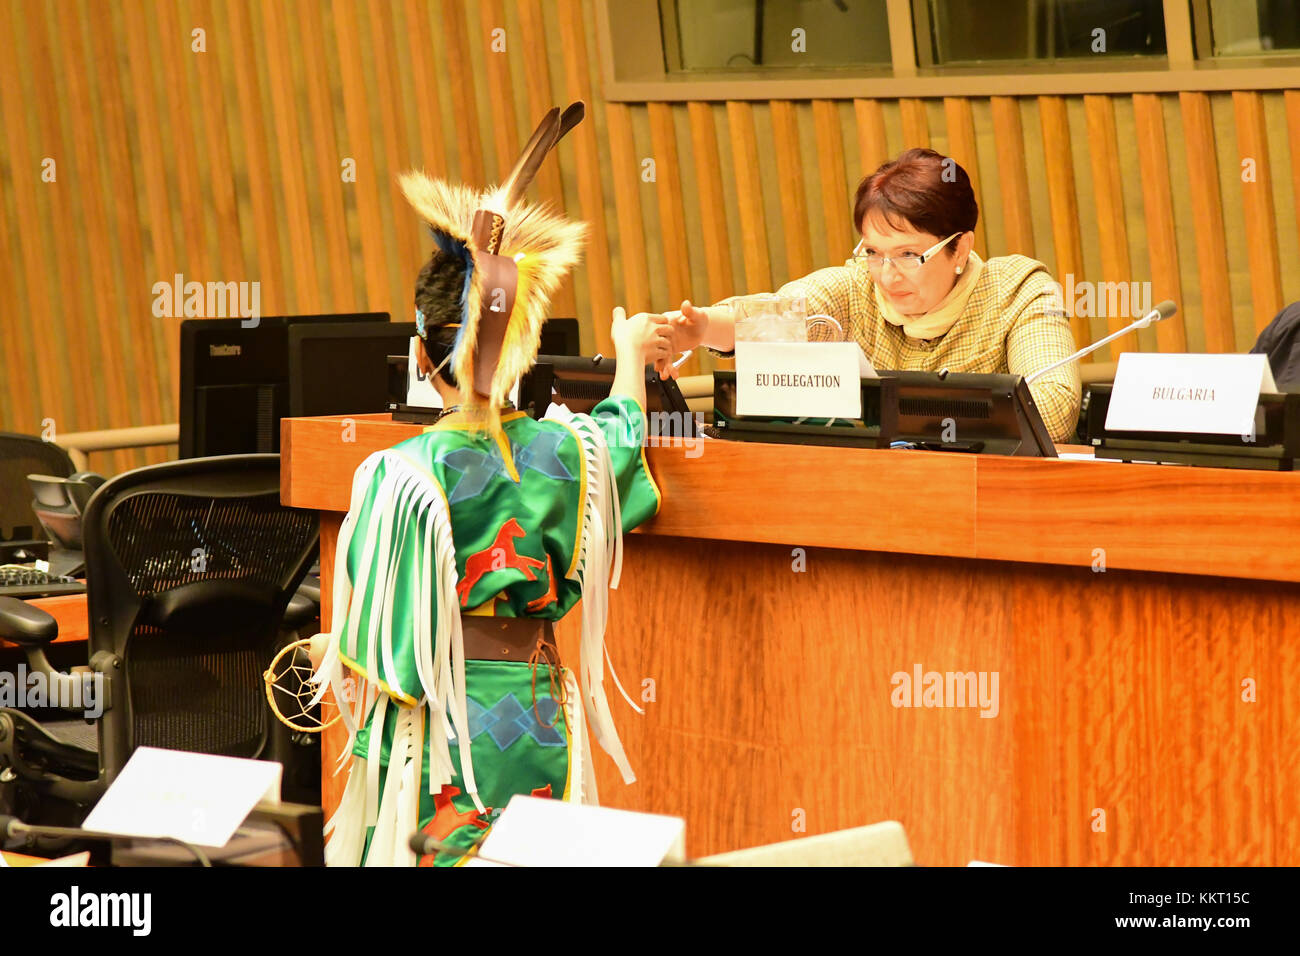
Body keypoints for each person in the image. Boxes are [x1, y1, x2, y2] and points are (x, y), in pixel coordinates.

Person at [306, 104, 670, 866]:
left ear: (420, 352)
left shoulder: (396, 474)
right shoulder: (563, 453)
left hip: (438, 733)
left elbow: (376, 650)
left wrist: (328, 650)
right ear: (522, 351)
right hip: (538, 711)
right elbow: (623, 445)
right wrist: (629, 351)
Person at [650, 148, 1082, 442]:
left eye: (909, 254)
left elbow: (1055, 408)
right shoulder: (857, 287)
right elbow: (780, 314)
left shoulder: (1018, 291)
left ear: (960, 247)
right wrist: (703, 327)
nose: (887, 274)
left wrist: (902, 415)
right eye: (874, 252)